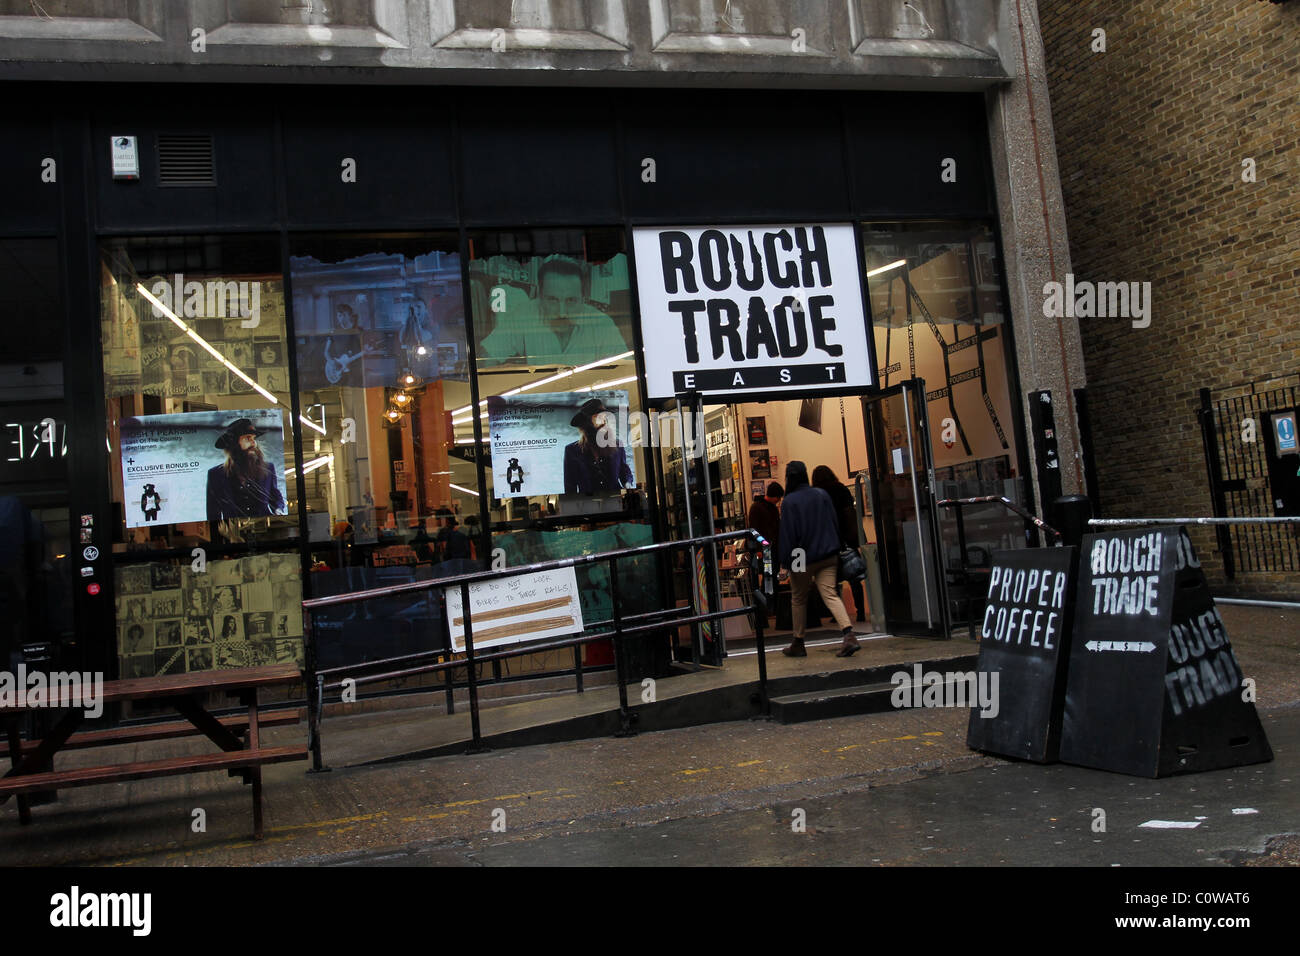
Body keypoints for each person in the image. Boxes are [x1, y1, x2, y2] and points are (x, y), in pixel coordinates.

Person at [479, 256, 629, 365]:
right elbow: (485, 357)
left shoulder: (602, 324)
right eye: (552, 300)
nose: (562, 312)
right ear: (540, 296)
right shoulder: (524, 314)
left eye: (571, 300)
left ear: (584, 297)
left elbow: (625, 370)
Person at [776, 460, 859, 658]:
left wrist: (785, 564)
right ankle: (849, 634)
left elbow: (788, 535)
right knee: (830, 594)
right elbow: (833, 522)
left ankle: (798, 642)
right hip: (828, 553)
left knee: (798, 598)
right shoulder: (821, 494)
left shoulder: (789, 502)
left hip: (801, 555)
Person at [812, 465, 867, 624]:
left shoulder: (817, 494)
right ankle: (861, 612)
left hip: (828, 541)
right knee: (854, 576)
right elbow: (850, 513)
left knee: (832, 579)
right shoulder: (842, 490)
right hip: (846, 538)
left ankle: (838, 613)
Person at [206, 418, 285, 524]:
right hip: (234, 533)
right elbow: (212, 514)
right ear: (234, 444)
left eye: (254, 438)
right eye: (248, 438)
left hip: (265, 529)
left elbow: (276, 497)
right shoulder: (215, 475)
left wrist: (278, 510)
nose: (254, 443)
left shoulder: (268, 468)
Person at [564, 397, 632, 495]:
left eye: (604, 416)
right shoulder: (571, 451)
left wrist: (628, 484)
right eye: (598, 417)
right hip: (589, 506)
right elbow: (570, 488)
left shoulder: (618, 445)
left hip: (616, 502)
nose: (603, 421)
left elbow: (625, 472)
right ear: (587, 422)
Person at [746, 481, 783, 562]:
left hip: (773, 548)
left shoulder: (772, 508)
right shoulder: (756, 508)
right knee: (768, 571)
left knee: (773, 571)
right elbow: (754, 529)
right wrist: (758, 549)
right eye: (778, 497)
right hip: (764, 548)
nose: (779, 500)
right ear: (773, 496)